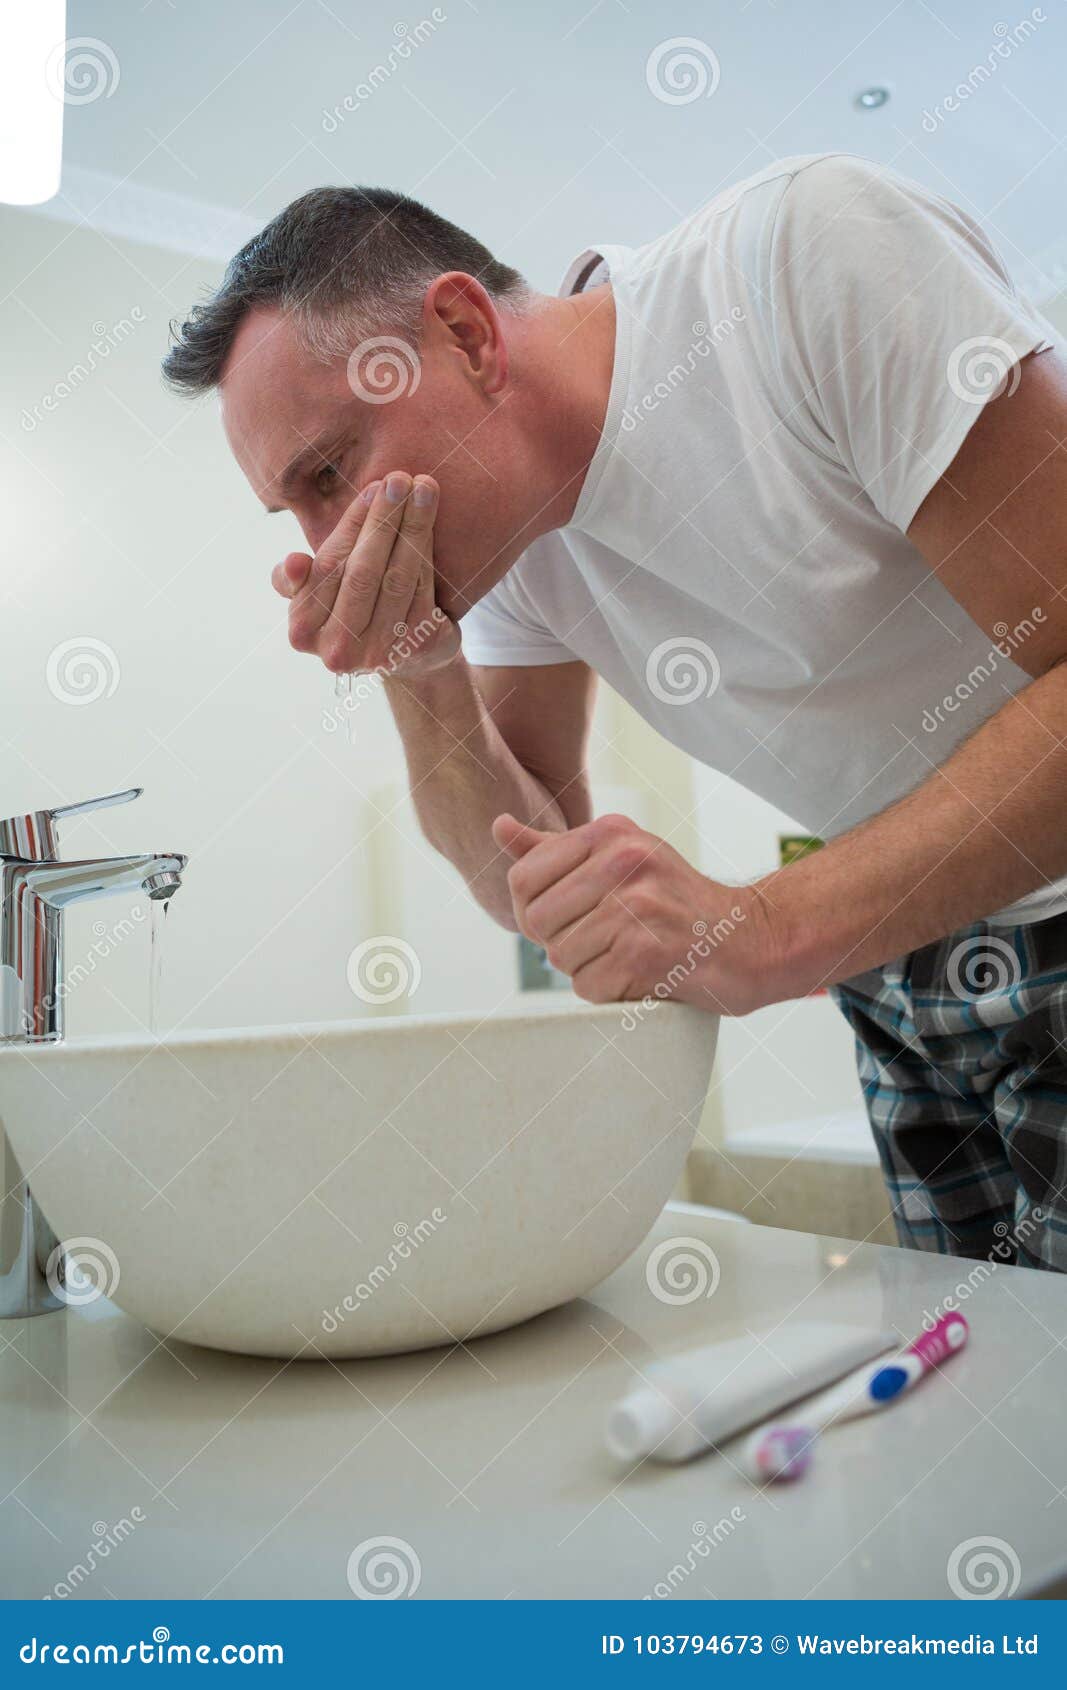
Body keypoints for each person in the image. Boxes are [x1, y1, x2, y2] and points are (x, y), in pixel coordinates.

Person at [162, 153, 1067, 1270]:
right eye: (292, 513)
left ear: (465, 333)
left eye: (331, 473)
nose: (327, 549)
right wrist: (421, 672)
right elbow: (530, 880)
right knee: (988, 1392)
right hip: (894, 972)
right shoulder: (516, 542)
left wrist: (768, 927)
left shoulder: (804, 259)